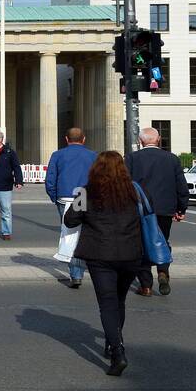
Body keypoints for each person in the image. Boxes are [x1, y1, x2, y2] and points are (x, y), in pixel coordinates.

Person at [63, 152, 146, 376]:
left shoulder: (86, 191)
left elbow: (70, 221)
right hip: (131, 254)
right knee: (120, 300)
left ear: (96, 169)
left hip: (100, 254)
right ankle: (112, 342)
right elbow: (145, 215)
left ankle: (117, 351)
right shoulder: (133, 191)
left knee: (107, 303)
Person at [125, 126, 189, 297]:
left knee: (141, 244)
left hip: (140, 209)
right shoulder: (171, 159)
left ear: (140, 141)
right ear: (158, 140)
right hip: (165, 209)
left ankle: (145, 285)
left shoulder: (132, 158)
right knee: (162, 240)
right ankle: (163, 271)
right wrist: (181, 208)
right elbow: (181, 186)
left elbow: (126, 184)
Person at [45, 127, 98, 287]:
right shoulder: (93, 155)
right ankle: (80, 269)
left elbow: (50, 179)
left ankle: (75, 273)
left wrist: (54, 196)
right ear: (84, 139)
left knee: (69, 233)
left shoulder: (57, 155)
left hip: (65, 196)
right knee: (83, 235)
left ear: (66, 139)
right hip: (85, 196)